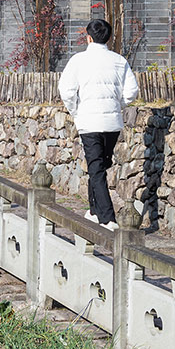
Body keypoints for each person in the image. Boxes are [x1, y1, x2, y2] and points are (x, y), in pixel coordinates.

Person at [58, 18, 139, 225]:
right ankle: (94, 211)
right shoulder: (120, 61)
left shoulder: (78, 60)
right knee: (101, 165)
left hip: (89, 121)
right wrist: (117, 104)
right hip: (112, 122)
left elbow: (66, 91)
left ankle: (107, 218)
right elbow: (132, 91)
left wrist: (76, 110)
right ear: (109, 38)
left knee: (96, 168)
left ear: (88, 37)